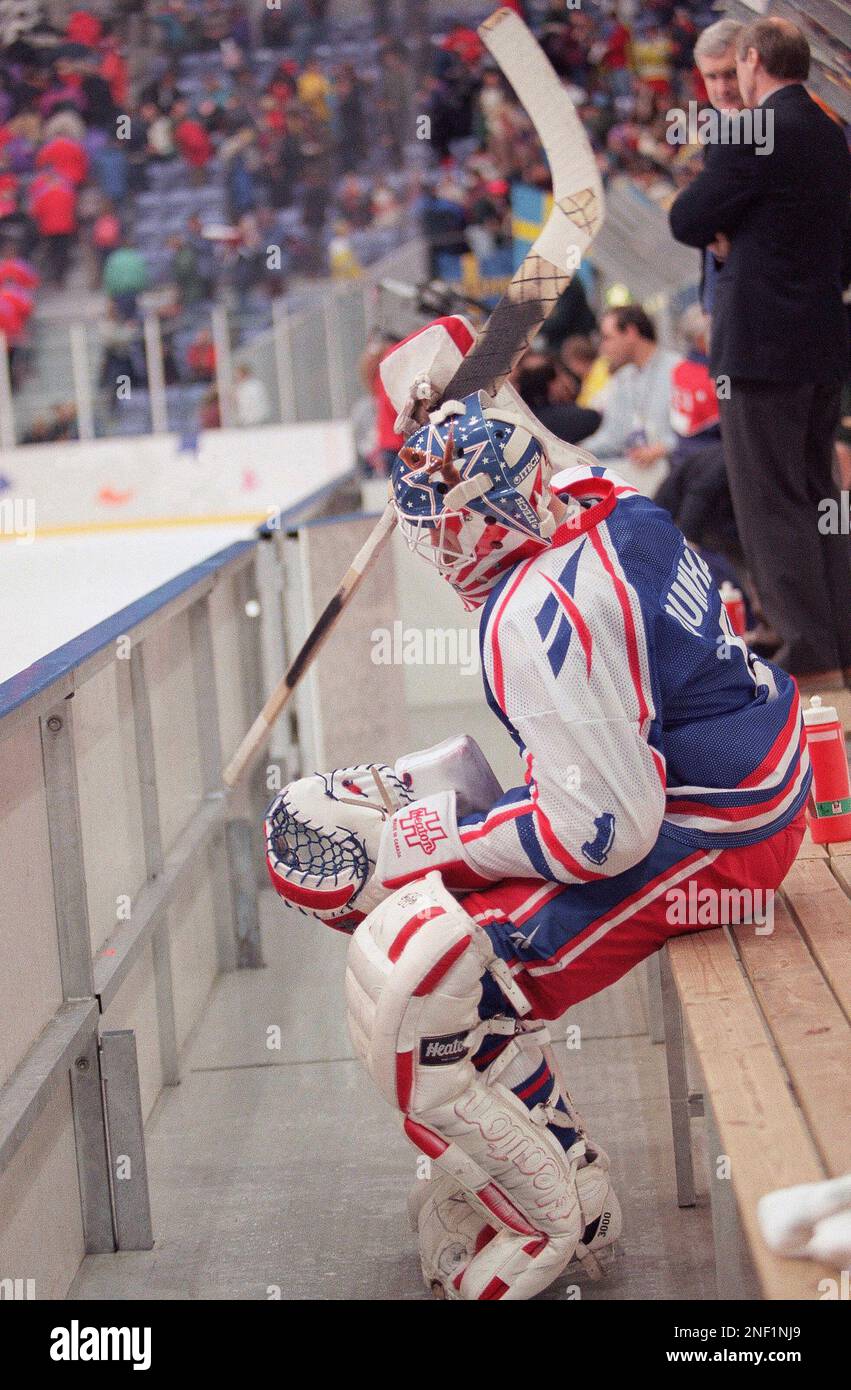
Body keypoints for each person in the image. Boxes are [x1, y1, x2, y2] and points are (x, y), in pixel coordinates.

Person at [264, 317, 810, 1301]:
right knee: (439, 916)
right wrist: (438, 385)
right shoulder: (596, 496)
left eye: (436, 524)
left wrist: (415, 845)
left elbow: (601, 835)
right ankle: (541, 1156)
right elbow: (499, 413)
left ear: (475, 522)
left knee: (431, 979)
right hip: (722, 770)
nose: (429, 546)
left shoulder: (531, 615)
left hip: (717, 833)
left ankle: (549, 1217)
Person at [669, 18, 851, 689]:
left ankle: (802, 650)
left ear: (751, 61)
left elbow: (685, 218)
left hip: (757, 348)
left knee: (769, 502)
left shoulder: (747, 131)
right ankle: (836, 640)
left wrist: (732, 236)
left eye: (732, 70)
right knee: (817, 494)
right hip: (822, 342)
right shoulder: (830, 131)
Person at [582, 304, 679, 495]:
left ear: (631, 332)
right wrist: (573, 453)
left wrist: (664, 447)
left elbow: (699, 434)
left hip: (674, 473)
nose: (603, 348)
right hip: (636, 475)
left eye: (608, 338)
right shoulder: (622, 378)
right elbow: (611, 437)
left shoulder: (677, 370)